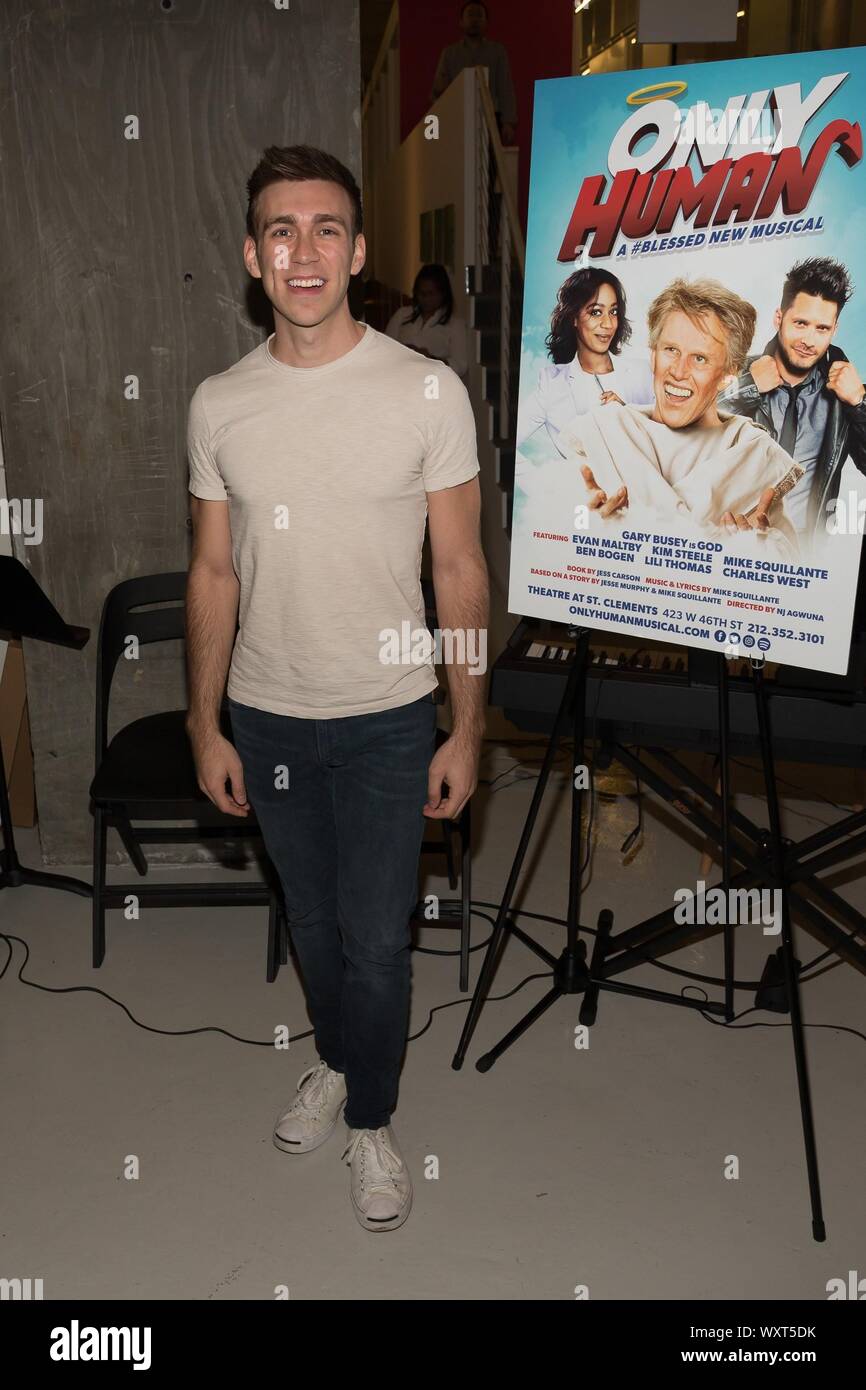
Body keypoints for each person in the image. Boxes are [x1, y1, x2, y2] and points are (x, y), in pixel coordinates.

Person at [185, 144, 488, 1234]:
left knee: (376, 935)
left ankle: (371, 1114)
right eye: (280, 229)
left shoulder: (425, 390)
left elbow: (458, 568)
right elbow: (213, 572)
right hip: (267, 716)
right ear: (252, 255)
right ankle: (334, 1058)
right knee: (312, 923)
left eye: (324, 229)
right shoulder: (219, 403)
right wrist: (202, 716)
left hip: (388, 717)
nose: (301, 250)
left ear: (357, 253)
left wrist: (467, 723)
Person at [564, 278, 801, 554]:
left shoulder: (753, 455)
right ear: (653, 356)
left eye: (699, 358)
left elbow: (789, 572)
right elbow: (551, 538)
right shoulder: (601, 432)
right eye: (671, 350)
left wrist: (752, 553)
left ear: (728, 374)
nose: (678, 371)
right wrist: (582, 523)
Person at [719, 257, 866, 545]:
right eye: (800, 323)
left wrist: (859, 404)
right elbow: (690, 437)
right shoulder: (738, 373)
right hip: (734, 541)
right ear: (779, 318)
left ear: (834, 330)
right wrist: (749, 387)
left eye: (821, 328)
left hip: (803, 553)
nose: (809, 340)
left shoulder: (846, 395)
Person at [516, 268, 654, 456]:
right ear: (574, 317)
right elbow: (512, 439)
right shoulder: (552, 383)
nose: (608, 324)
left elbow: (669, 438)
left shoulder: (643, 373)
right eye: (596, 312)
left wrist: (628, 414)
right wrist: (542, 483)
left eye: (613, 311)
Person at [431, 1, 517, 145]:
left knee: (488, 164)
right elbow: (437, 91)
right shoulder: (450, 53)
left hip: (490, 117)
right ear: (461, 22)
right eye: (470, 15)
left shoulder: (497, 51)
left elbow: (505, 87)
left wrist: (508, 122)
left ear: (486, 22)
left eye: (479, 16)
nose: (474, 20)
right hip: (457, 116)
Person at [385, 264, 470, 377]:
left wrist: (430, 358)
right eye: (421, 293)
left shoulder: (455, 324)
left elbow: (460, 366)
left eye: (430, 294)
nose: (425, 299)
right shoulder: (402, 315)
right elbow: (385, 348)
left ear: (442, 294)